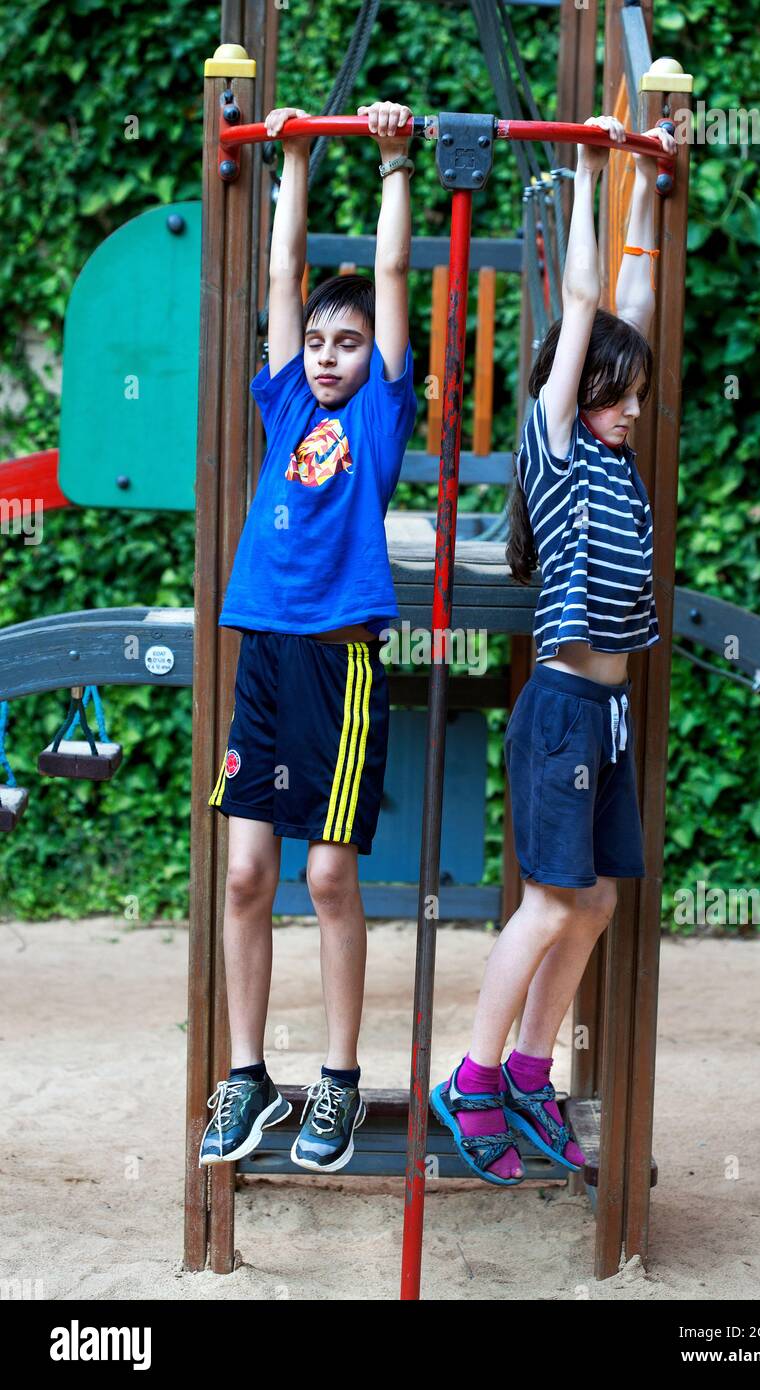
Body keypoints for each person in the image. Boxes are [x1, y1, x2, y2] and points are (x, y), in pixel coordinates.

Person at [431, 114, 677, 1184]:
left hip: (606, 712)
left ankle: (529, 1071)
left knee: (601, 899)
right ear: (575, 397)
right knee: (549, 900)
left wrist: (651, 198)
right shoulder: (560, 450)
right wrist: (585, 164)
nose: (627, 408)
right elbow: (585, 306)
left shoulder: (619, 466)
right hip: (563, 709)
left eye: (633, 395)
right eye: (613, 395)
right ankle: (472, 1080)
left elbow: (630, 307)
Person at [199, 99, 418, 1173]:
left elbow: (381, 282)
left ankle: (335, 1078)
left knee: (328, 876)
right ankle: (248, 1076)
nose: (327, 355)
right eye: (320, 345)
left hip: (338, 659)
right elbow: (284, 277)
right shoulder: (284, 401)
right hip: (264, 653)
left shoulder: (376, 416)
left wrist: (388, 168)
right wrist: (292, 158)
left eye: (347, 346)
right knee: (243, 875)